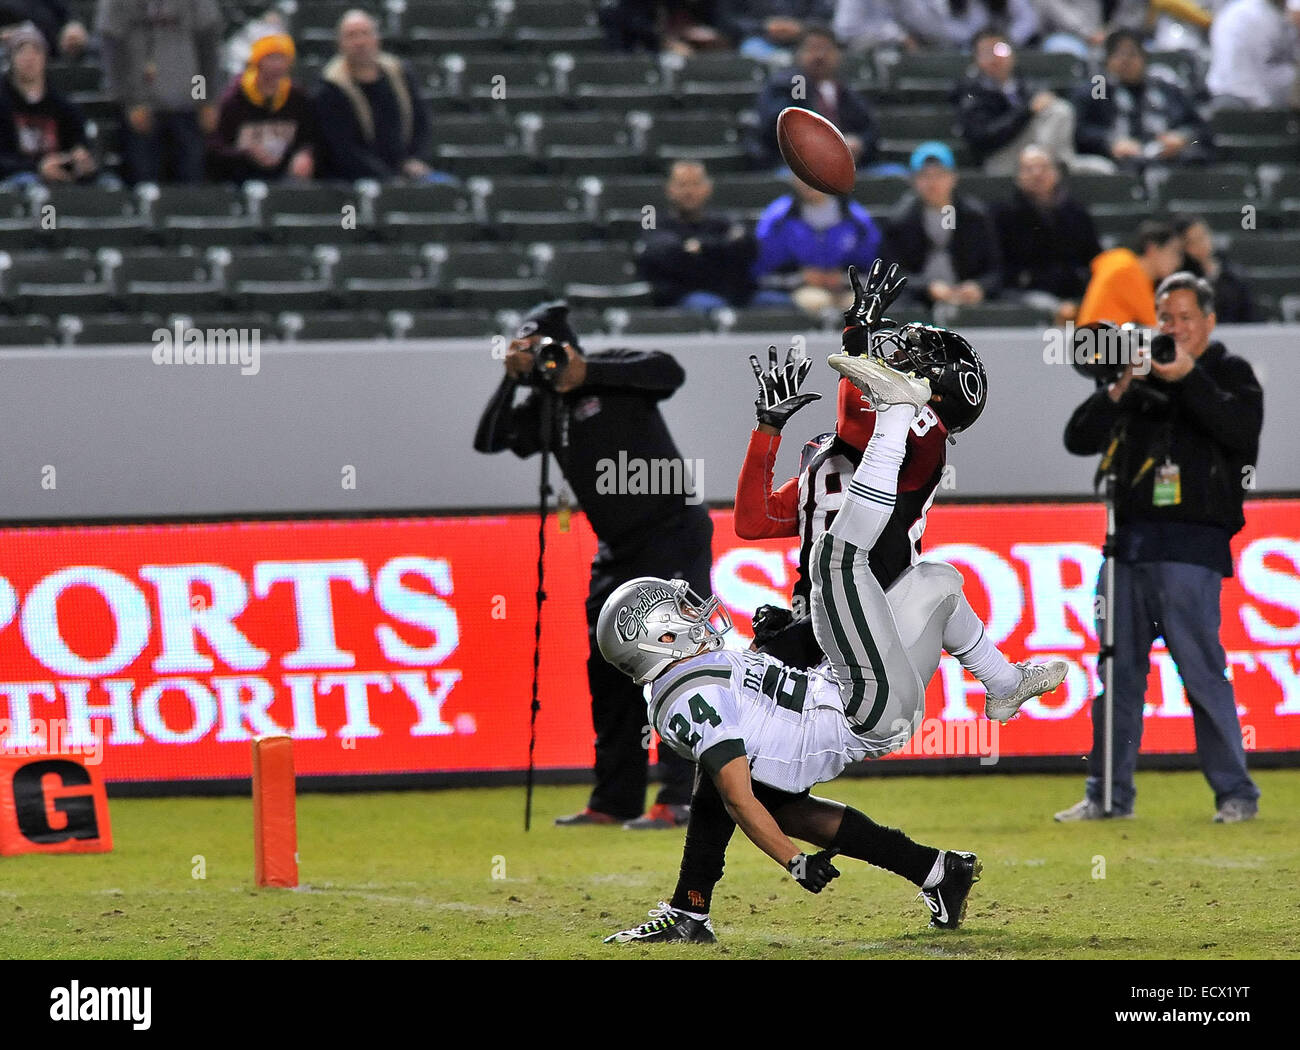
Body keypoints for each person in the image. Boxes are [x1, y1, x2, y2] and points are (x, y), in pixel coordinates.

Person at [606, 266, 1068, 943]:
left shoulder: (919, 435)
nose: (900, 360)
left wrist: (861, 331)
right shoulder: (830, 452)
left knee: (737, 771)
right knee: (761, 786)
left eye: (914, 360)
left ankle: (689, 909)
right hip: (821, 623)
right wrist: (765, 431)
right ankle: (936, 869)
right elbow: (754, 519)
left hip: (868, 615)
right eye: (899, 351)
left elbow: (865, 409)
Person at [473, 302, 709, 830]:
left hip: (671, 535)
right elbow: (489, 440)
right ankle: (615, 799)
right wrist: (510, 382)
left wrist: (589, 372)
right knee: (607, 670)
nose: (550, 365)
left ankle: (680, 797)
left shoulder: (615, 368)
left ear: (570, 346)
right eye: (535, 356)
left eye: (552, 352)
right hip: (615, 550)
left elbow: (670, 371)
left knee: (674, 663)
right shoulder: (544, 406)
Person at [1057, 271, 1263, 823]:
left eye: (1184, 318)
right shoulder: (1139, 375)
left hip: (1191, 546)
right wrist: (1121, 387)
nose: (1172, 327)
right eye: (1165, 317)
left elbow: (1240, 432)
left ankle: (1236, 793)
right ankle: (1108, 796)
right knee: (1116, 677)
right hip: (1125, 546)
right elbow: (1078, 437)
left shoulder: (1230, 373)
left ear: (1209, 323)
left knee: (1200, 672)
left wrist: (1189, 376)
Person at [95, 0, 222, 185]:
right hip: (140, 109)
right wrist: (131, 102)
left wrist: (205, 98)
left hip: (188, 107)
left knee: (191, 186)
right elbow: (112, 51)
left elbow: (206, 47)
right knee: (145, 185)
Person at [313, 9, 444, 182]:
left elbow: (421, 123)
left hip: (406, 170)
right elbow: (342, 149)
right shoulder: (329, 88)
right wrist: (388, 178)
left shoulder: (401, 74)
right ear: (340, 44)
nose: (360, 42)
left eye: (365, 34)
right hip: (353, 178)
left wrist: (416, 159)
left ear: (377, 39)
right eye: (351, 36)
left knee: (447, 186)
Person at [881, 141, 1002, 311]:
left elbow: (995, 270)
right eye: (925, 176)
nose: (933, 183)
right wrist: (926, 288)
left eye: (939, 175)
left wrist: (979, 287)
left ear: (953, 177)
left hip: (966, 299)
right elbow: (891, 273)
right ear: (914, 181)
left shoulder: (975, 216)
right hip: (917, 301)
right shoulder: (900, 219)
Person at [1072, 28, 1212, 173]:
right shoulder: (1095, 91)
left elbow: (1199, 126)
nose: (1125, 61)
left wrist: (1181, 137)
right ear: (1107, 60)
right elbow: (1081, 130)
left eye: (1132, 54)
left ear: (1144, 58)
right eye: (1118, 54)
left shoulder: (1166, 89)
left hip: (1165, 157)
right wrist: (1110, 142)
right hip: (1116, 163)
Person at [993, 145, 1101, 324]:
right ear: (1018, 177)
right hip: (1024, 293)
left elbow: (1094, 257)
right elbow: (1001, 268)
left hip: (1075, 290)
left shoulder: (1076, 212)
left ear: (1056, 172)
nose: (1037, 174)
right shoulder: (1003, 214)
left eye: (1043, 167)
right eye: (1029, 169)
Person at [751, 23, 879, 170]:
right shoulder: (790, 85)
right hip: (795, 166)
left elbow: (870, 129)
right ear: (798, 54)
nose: (820, 55)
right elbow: (778, 126)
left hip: (845, 166)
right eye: (812, 49)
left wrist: (859, 143)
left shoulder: (845, 90)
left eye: (826, 49)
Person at [636, 160, 757, 312]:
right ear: (669, 189)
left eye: (696, 184)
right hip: (680, 299)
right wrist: (722, 249)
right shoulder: (655, 223)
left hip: (733, 294)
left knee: (777, 303)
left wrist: (701, 247)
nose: (689, 191)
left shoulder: (723, 221)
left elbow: (748, 246)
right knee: (711, 306)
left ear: (708, 188)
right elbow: (669, 255)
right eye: (682, 185)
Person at [751, 173, 882, 314]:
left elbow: (873, 272)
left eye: (817, 172)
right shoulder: (777, 220)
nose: (810, 181)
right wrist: (802, 277)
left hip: (846, 292)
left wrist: (843, 279)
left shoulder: (857, 219)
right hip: (796, 292)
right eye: (803, 173)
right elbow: (762, 276)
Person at [953, 29, 1079, 176]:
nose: (995, 58)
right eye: (987, 52)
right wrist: (1027, 111)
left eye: (1001, 50)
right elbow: (983, 137)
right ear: (976, 58)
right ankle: (1044, 168)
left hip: (1035, 149)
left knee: (1059, 110)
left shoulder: (1025, 83)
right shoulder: (970, 91)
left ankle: (1048, 166)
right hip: (1000, 158)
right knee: (1057, 111)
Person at [208, 30, 316, 183]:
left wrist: (305, 154)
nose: (277, 65)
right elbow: (214, 147)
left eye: (282, 58)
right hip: (239, 179)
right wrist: (246, 154)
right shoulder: (233, 99)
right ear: (257, 61)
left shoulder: (297, 97)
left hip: (285, 178)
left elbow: (310, 137)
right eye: (271, 58)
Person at [0, 21, 96, 186]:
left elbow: (80, 142)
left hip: (60, 181)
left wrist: (80, 158)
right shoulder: (3, 102)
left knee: (108, 184)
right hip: (17, 181)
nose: (29, 58)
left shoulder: (61, 104)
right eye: (22, 52)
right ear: (12, 58)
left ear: (45, 58)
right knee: (27, 183)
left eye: (36, 51)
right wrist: (37, 167)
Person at [1076, 220, 1182, 327]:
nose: (1178, 262)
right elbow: (1158, 323)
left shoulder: (1120, 259)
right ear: (1152, 249)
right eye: (1174, 252)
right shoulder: (1128, 271)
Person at [1206, 0, 1300, 111]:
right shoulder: (1250, 15)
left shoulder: (1274, 13)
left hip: (1262, 97)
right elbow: (1249, 81)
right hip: (1238, 100)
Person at [1172, 214, 1254, 324]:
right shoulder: (1179, 281)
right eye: (1192, 242)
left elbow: (1250, 319)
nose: (1201, 245)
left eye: (1202, 237)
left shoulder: (1234, 276)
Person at [716, 0, 835, 60]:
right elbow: (729, 19)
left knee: (819, 53)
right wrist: (763, 26)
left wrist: (800, 26)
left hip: (802, 40)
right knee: (751, 53)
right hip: (758, 40)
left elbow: (825, 15)